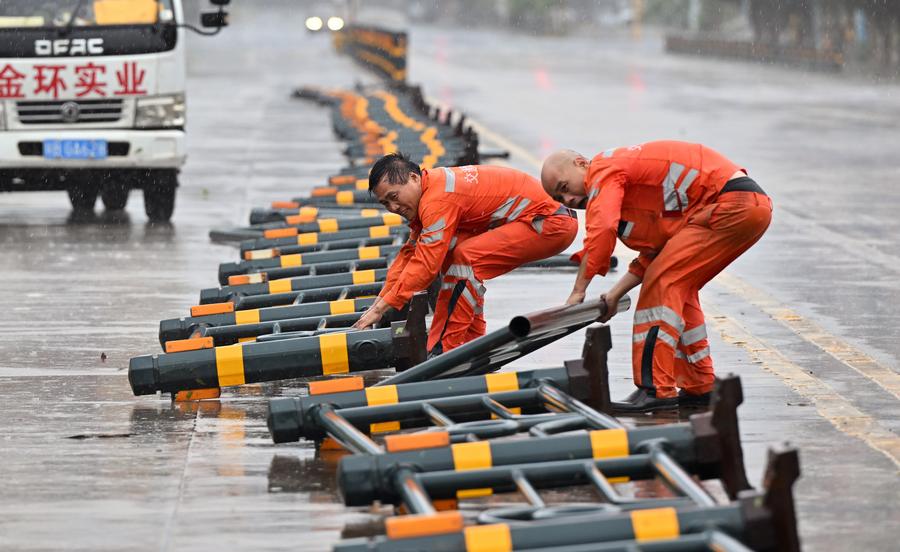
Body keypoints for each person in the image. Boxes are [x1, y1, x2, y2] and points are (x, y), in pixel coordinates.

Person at [541, 140, 772, 412]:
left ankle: (654, 389)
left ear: (581, 164)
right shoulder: (635, 193)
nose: (568, 201)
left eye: (565, 188)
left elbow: (602, 230)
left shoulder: (604, 169)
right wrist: (614, 294)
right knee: (679, 288)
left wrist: (578, 291)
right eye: (559, 199)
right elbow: (657, 253)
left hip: (731, 205)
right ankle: (700, 386)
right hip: (745, 206)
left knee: (663, 285)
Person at [352, 152, 578, 354]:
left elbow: (425, 265)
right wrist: (378, 304)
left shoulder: (437, 200)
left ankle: (443, 350)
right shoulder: (430, 191)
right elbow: (410, 255)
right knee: (453, 255)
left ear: (413, 178)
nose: (394, 208)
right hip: (547, 218)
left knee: (465, 258)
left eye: (394, 197)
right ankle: (472, 343)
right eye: (385, 203)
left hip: (550, 222)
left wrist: (383, 308)